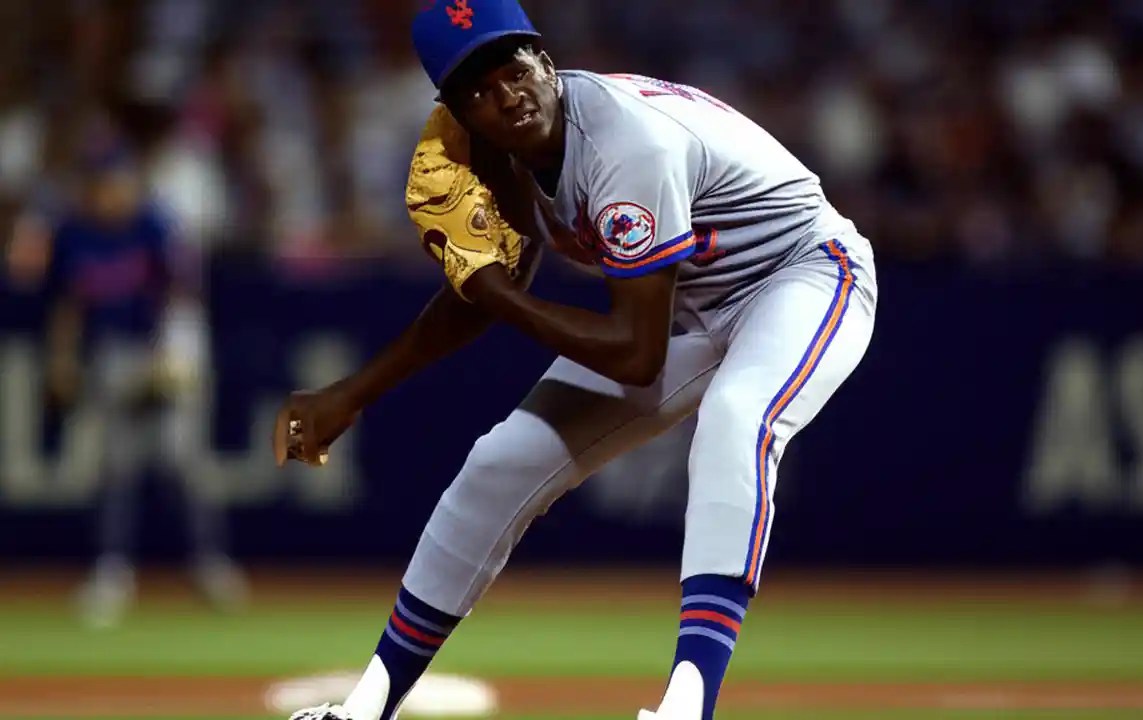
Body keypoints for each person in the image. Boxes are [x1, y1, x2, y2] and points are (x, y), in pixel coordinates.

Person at [279, 1, 877, 718]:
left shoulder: (629, 147)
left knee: (737, 420)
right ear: (457, 111)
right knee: (499, 461)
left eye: (513, 66)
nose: (506, 94)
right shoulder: (498, 151)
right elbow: (491, 289)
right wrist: (354, 391)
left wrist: (495, 290)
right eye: (477, 88)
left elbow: (631, 353)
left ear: (545, 58)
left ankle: (688, 707)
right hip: (691, 306)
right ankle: (368, 706)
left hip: (802, 275)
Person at [42, 141, 247, 628]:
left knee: (182, 461)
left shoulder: (154, 224)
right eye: (97, 186)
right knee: (116, 465)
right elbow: (68, 303)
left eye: (111, 183)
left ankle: (210, 565)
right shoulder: (73, 231)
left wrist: (172, 357)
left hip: (167, 346)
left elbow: (183, 294)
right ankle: (112, 572)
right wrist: (62, 359)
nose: (104, 194)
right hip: (114, 354)